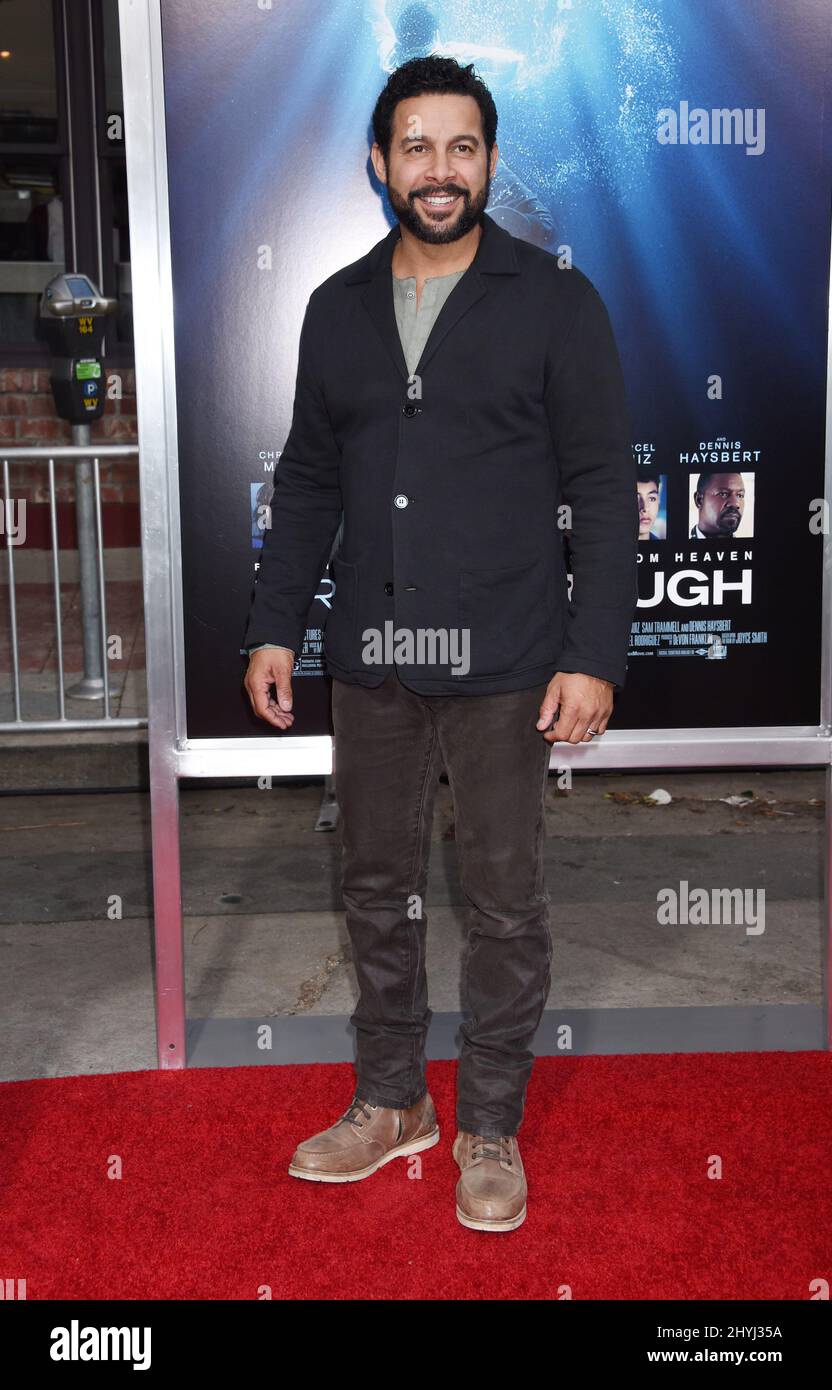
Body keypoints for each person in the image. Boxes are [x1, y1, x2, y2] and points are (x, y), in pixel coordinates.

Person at [241, 56, 639, 1232]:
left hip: (508, 657)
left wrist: (594, 653)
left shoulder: (556, 301)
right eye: (416, 146)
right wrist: (273, 627)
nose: (439, 170)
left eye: (461, 147)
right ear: (380, 162)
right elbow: (309, 483)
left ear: (489, 162)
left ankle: (490, 1123)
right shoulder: (336, 307)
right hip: (372, 653)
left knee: (504, 898)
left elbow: (602, 489)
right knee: (373, 886)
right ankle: (392, 1101)